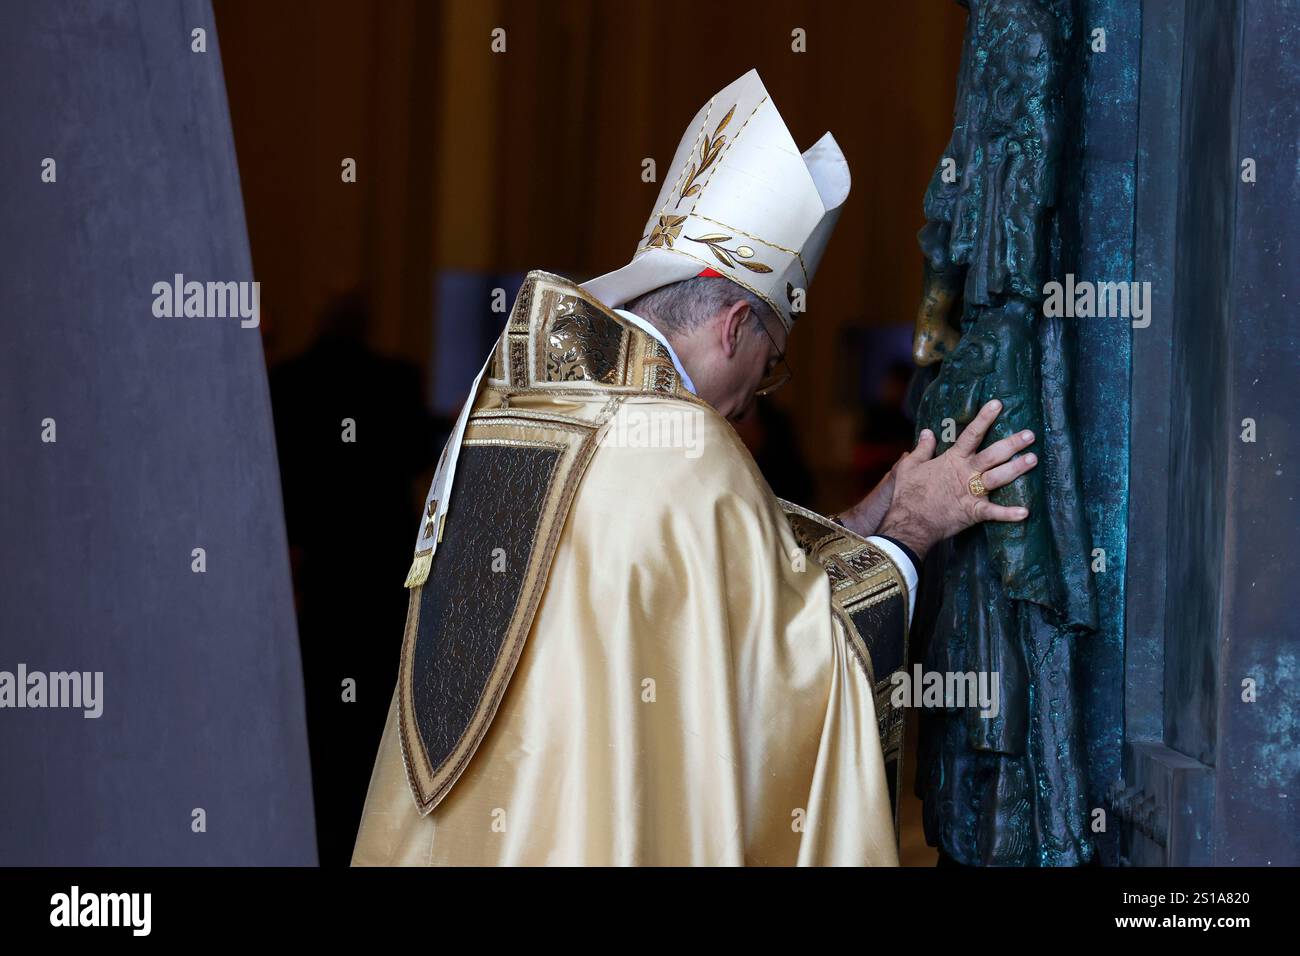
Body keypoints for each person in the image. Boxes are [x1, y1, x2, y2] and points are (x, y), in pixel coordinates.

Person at [351, 69, 1037, 866]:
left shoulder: (522, 404)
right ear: (735, 325)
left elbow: (707, 594)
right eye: (770, 364)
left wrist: (862, 520)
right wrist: (913, 532)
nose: (753, 401)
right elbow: (783, 679)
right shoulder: (684, 444)